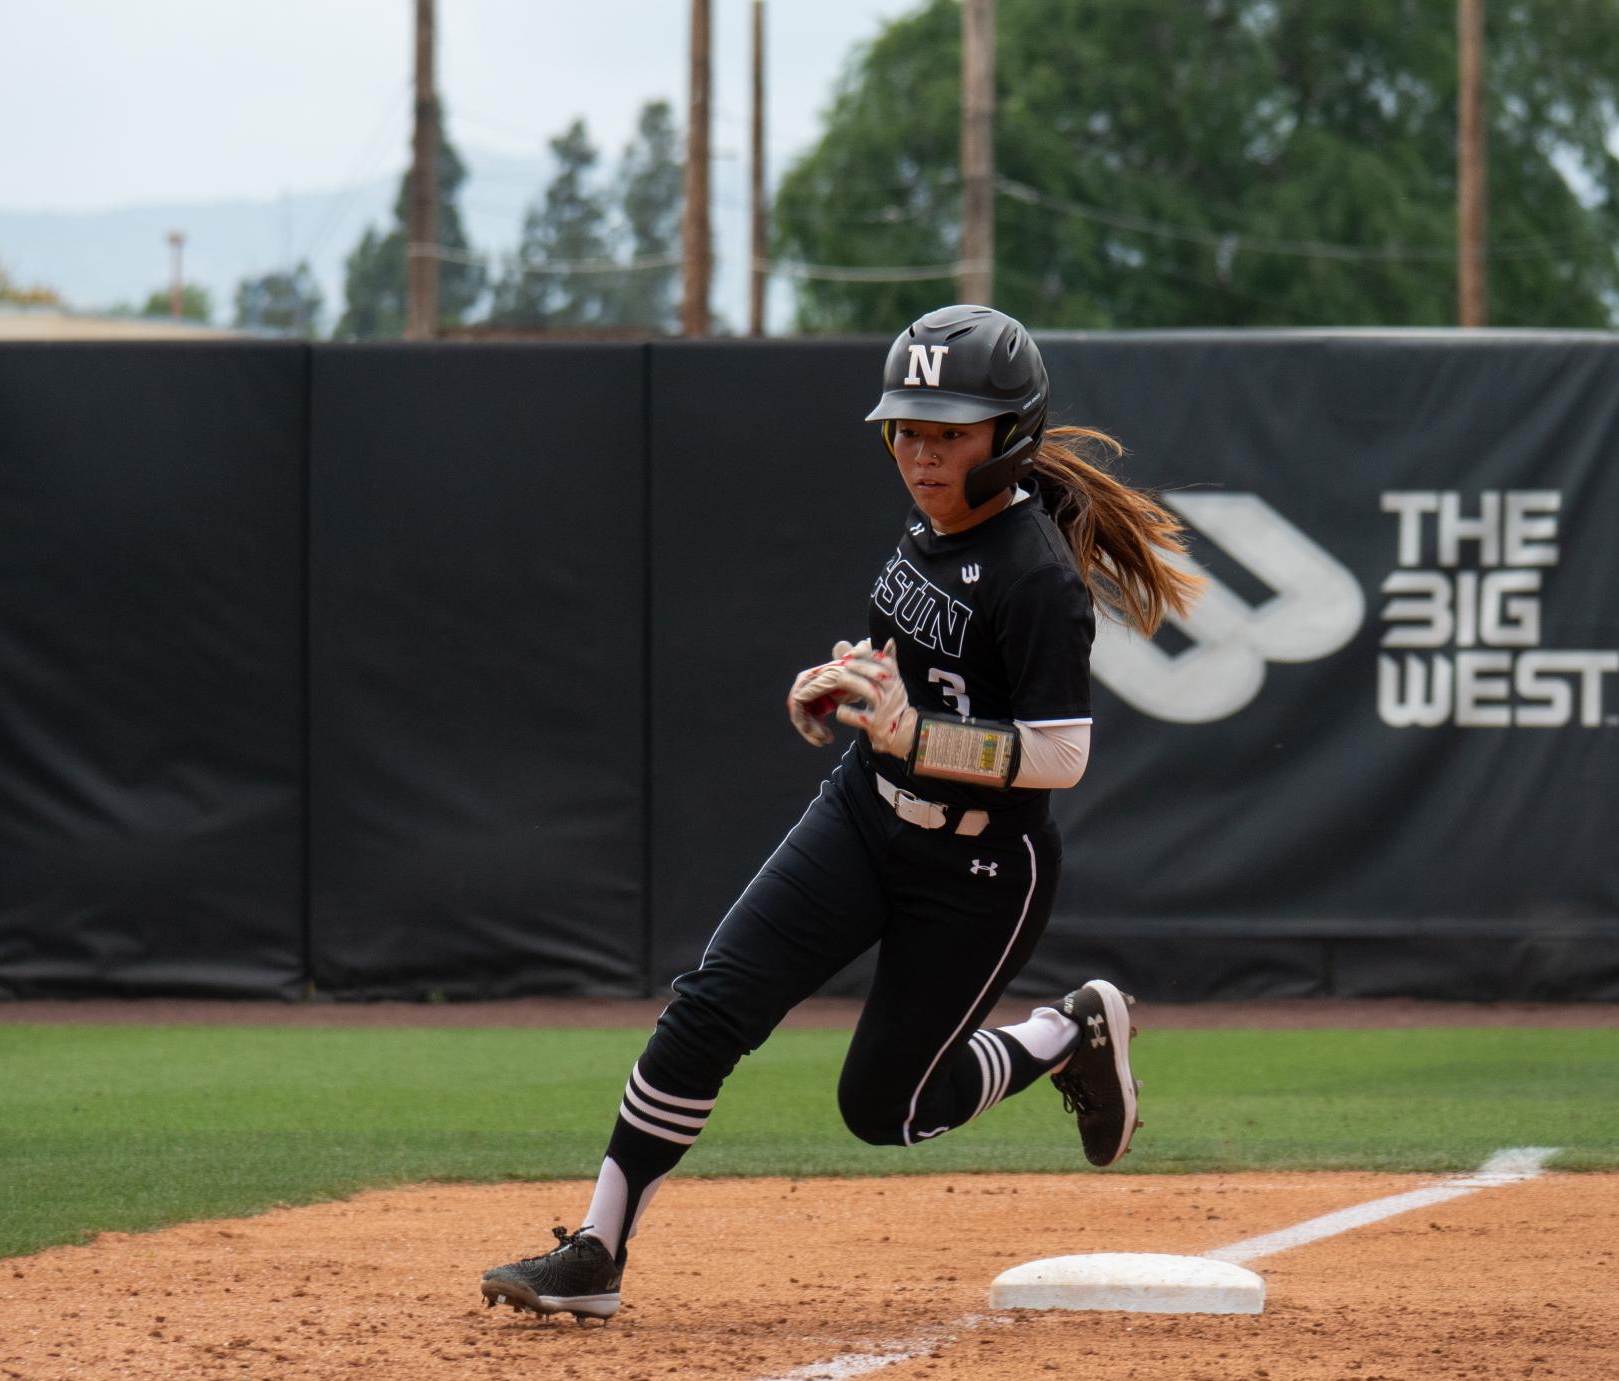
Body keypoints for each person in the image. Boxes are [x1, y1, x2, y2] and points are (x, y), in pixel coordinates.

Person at [482, 303, 1199, 1324]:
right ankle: (597, 1249)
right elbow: (912, 674)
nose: (918, 452)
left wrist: (915, 738)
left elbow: (1061, 755)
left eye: (946, 431)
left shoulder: (1036, 577)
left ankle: (1060, 1032)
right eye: (906, 428)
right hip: (864, 814)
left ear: (1009, 434)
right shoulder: (930, 524)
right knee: (708, 1005)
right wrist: (844, 682)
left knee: (885, 1110)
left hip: (978, 872)